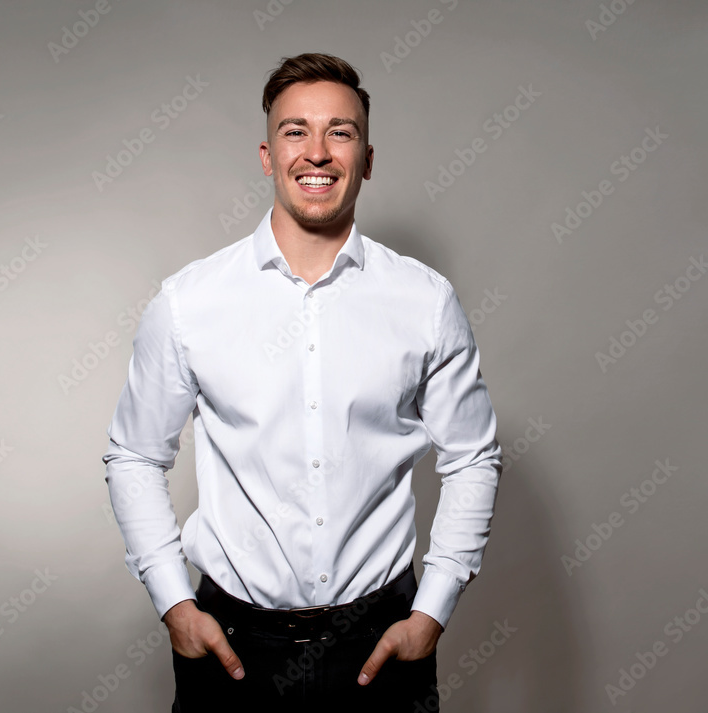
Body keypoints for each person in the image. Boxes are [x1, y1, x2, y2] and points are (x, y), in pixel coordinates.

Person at [101, 52, 502, 712]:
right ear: (267, 154)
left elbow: (472, 456)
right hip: (231, 650)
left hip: (381, 644)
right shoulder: (190, 301)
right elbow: (135, 455)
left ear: (367, 157)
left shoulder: (424, 301)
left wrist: (431, 611)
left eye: (340, 132)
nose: (317, 153)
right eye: (296, 131)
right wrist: (174, 600)